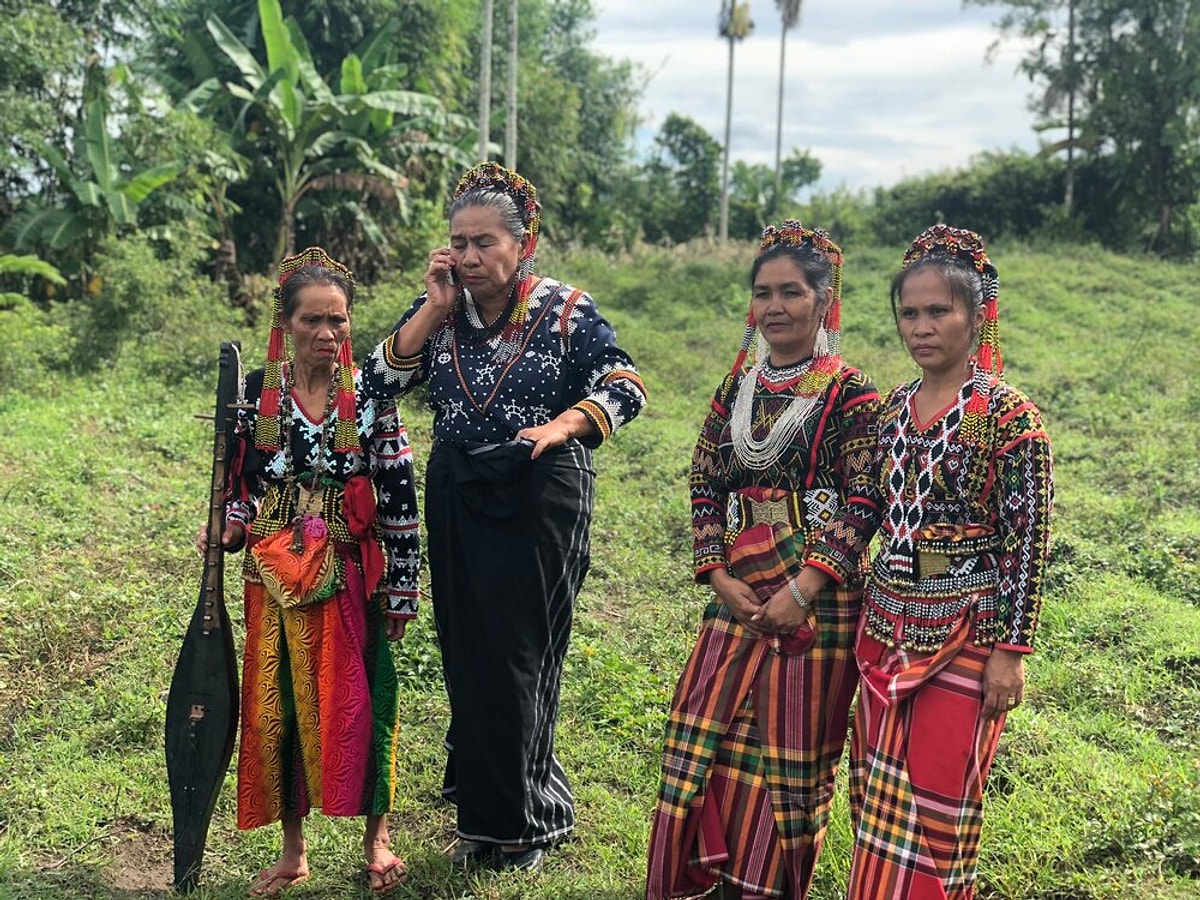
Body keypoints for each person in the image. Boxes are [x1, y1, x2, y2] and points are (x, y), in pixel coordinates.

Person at [360, 162, 647, 870]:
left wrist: (565, 427)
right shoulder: (445, 311)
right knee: (467, 652)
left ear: (525, 246)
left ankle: (524, 824)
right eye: (458, 242)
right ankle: (486, 817)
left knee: (520, 657)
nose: (468, 256)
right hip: (459, 490)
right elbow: (378, 382)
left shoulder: (567, 310)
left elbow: (626, 382)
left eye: (484, 242)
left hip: (539, 490)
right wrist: (431, 304)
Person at [645, 221, 880, 900]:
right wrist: (716, 573)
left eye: (791, 292)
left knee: (793, 755)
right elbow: (704, 479)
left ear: (823, 299)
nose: (774, 307)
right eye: (762, 293)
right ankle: (702, 879)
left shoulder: (851, 394)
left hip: (818, 598)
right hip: (739, 590)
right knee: (707, 733)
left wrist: (803, 590)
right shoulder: (737, 387)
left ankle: (765, 885)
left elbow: (864, 501)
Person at [199, 247, 420, 896]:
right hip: (272, 578)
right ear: (285, 325)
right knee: (277, 711)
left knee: (367, 701)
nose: (327, 334)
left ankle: (376, 839)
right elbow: (238, 483)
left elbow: (400, 495)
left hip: (351, 577)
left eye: (339, 322)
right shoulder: (254, 398)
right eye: (312, 322)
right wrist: (232, 523)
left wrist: (402, 589)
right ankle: (293, 850)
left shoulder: (372, 400)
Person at [842, 225, 1053, 899]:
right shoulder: (893, 410)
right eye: (910, 312)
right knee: (876, 796)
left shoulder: (1010, 418)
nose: (922, 326)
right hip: (882, 630)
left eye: (940, 311)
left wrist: (1011, 652)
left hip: (966, 631)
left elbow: (1028, 539)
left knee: (940, 806)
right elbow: (863, 507)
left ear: (976, 313)